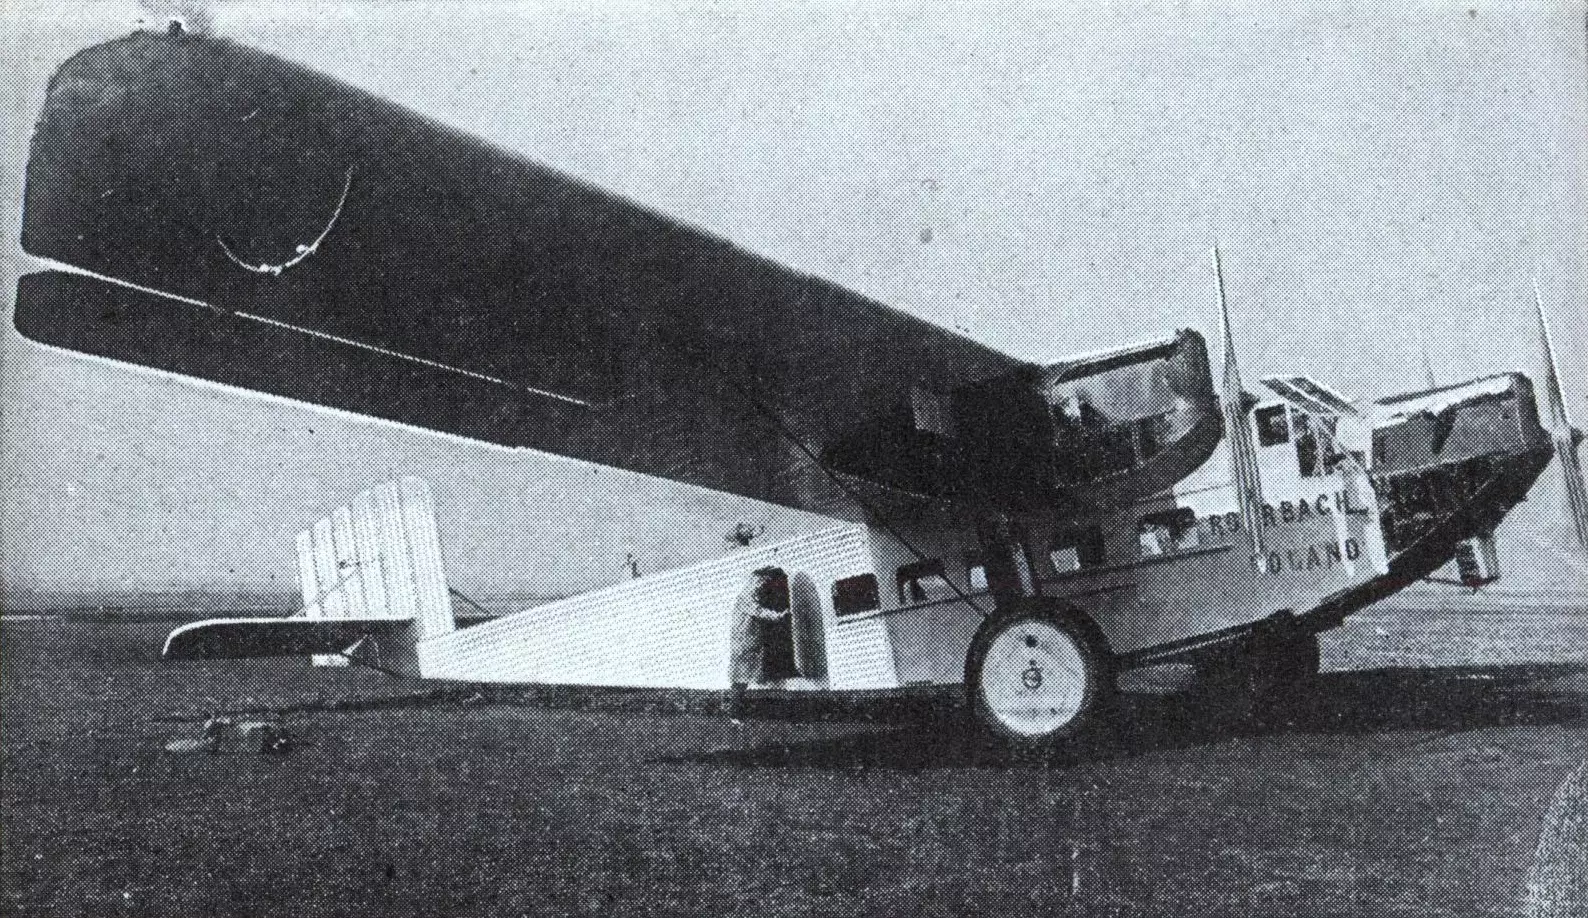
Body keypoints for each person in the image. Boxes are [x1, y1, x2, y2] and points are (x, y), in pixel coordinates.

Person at [726, 567, 790, 724]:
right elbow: (759, 611)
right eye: (760, 582)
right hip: (743, 644)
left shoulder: (749, 596)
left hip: (746, 643)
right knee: (740, 679)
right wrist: (778, 616)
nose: (761, 585)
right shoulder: (746, 598)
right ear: (753, 581)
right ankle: (735, 714)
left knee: (742, 678)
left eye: (763, 582)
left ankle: (737, 712)